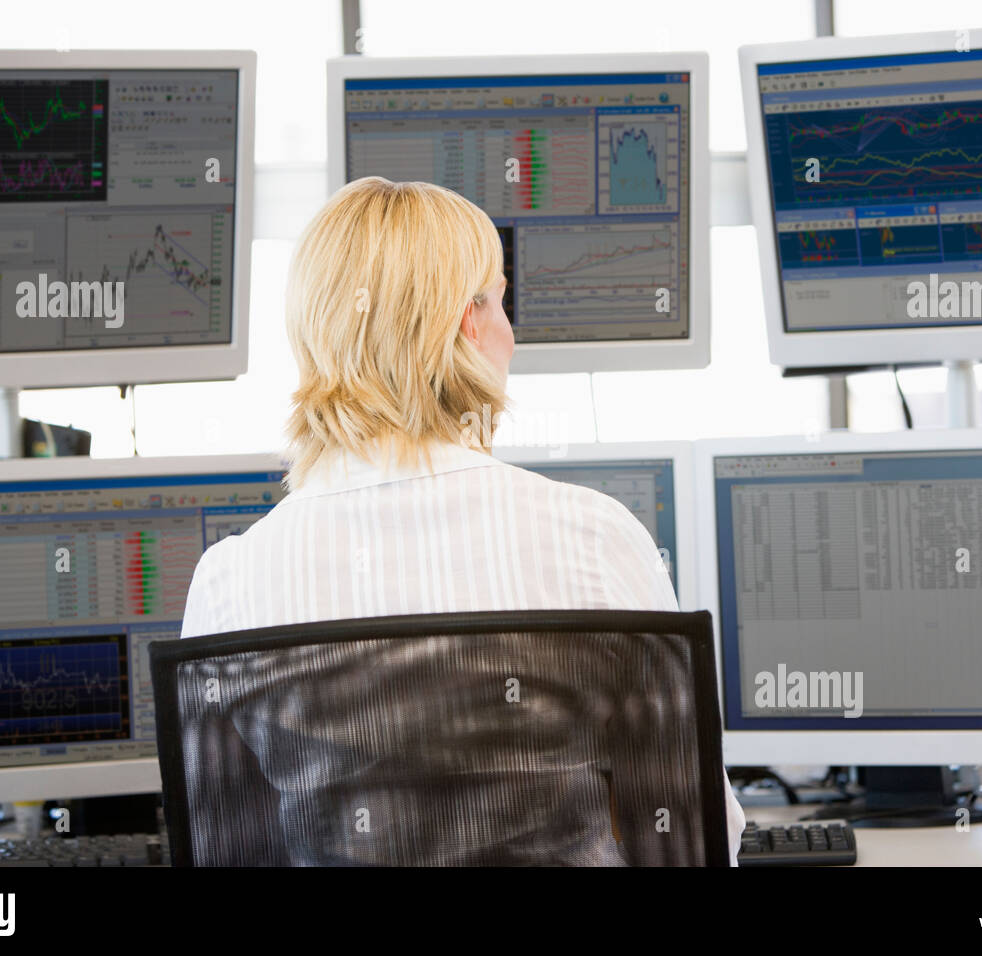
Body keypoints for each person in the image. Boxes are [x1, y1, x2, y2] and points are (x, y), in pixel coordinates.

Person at [180, 176, 744, 863]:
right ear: (470, 324)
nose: (509, 334)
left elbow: (225, 852)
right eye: (501, 303)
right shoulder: (593, 539)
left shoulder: (231, 582)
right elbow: (694, 831)